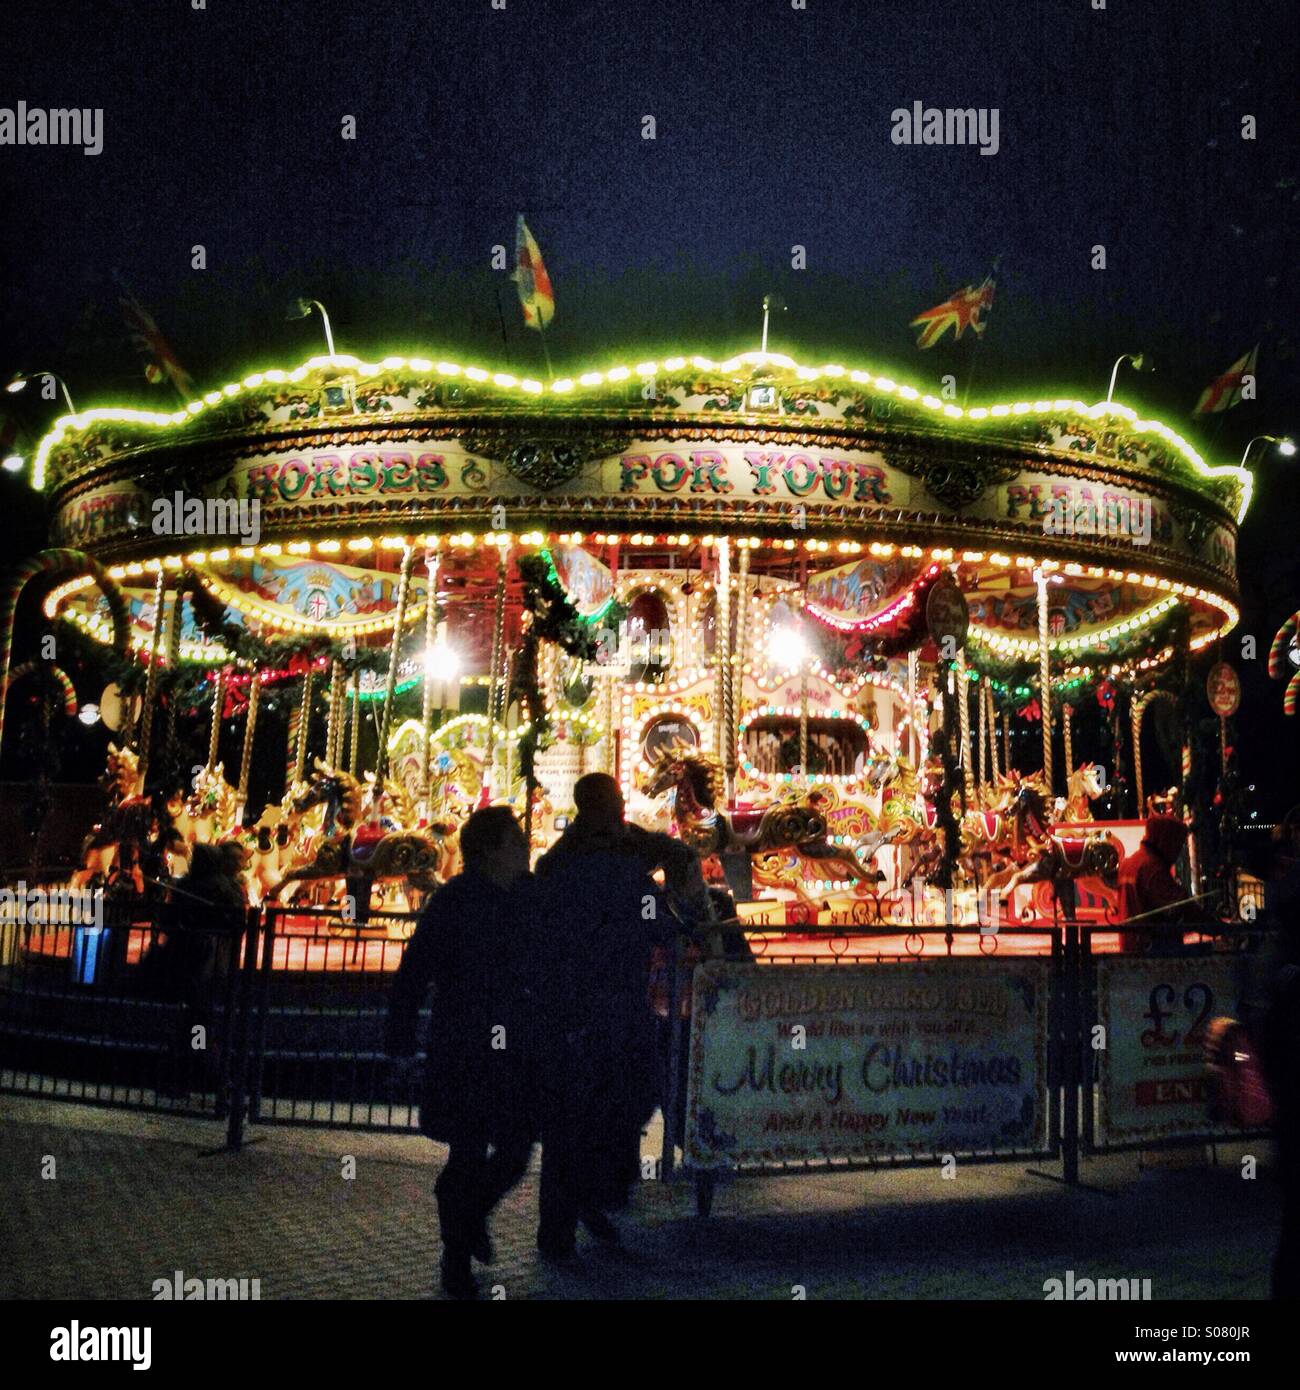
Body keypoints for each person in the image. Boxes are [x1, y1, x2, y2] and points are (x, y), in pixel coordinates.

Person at [532, 772, 701, 1255]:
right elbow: (655, 922)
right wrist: (673, 919)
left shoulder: (557, 863)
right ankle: (600, 1189)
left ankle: (563, 1220)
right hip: (617, 1002)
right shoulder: (624, 870)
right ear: (611, 808)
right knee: (631, 1092)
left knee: (572, 1115)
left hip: (568, 1005)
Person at [385, 806, 537, 1300]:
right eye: (516, 842)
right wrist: (401, 1043)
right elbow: (414, 975)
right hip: (466, 1040)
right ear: (492, 850)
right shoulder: (454, 902)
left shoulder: (523, 897)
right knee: (471, 1147)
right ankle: (455, 1253)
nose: (525, 849)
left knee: (515, 1147)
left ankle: (467, 1214)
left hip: (507, 1039)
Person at [1117, 814, 1199, 953]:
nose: (1177, 852)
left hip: (1131, 946)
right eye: (1177, 844)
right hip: (1152, 950)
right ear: (1166, 841)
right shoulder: (1152, 868)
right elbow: (1182, 906)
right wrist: (1219, 928)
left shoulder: (1130, 863)